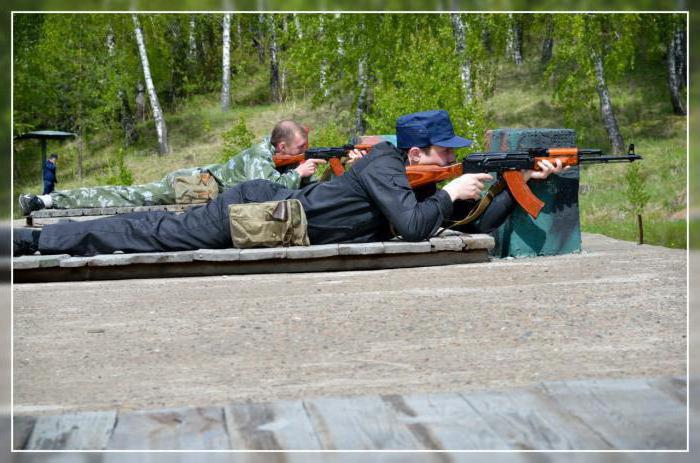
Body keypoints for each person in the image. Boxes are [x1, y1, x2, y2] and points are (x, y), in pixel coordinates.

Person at [13, 110, 566, 257]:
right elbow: (419, 226)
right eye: (446, 152)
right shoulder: (385, 167)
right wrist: (448, 191)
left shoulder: (400, 171)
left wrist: (509, 180)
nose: (451, 159)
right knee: (147, 230)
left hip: (270, 216)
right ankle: (31, 241)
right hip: (255, 218)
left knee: (149, 226)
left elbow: (460, 221)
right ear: (418, 151)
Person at [17, 120, 325, 215]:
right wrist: (298, 174)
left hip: (198, 189)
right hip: (190, 186)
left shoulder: (268, 155)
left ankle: (46, 200)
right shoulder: (259, 158)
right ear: (281, 147)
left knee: (128, 195)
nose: (303, 153)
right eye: (299, 149)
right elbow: (266, 190)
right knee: (127, 196)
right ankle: (47, 200)